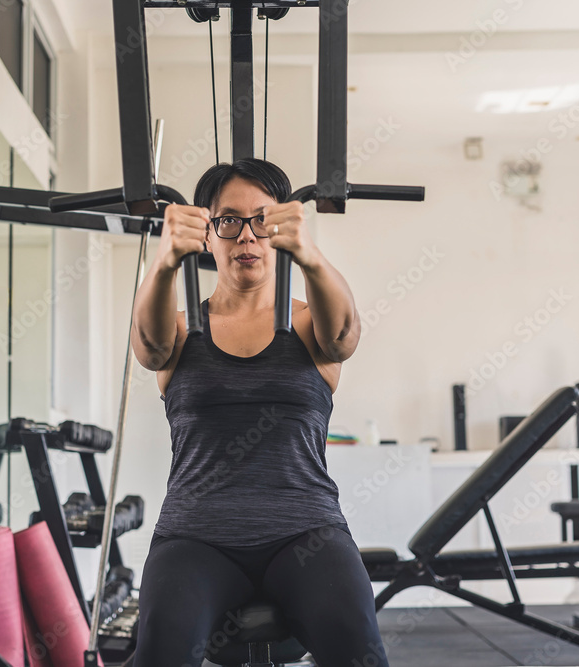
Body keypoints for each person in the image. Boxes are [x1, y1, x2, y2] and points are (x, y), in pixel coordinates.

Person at [130, 159, 389, 666]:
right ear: (208, 232)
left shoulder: (311, 324)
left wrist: (309, 253)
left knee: (359, 646)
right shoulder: (181, 328)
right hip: (195, 536)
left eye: (262, 221)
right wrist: (163, 261)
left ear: (281, 230)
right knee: (160, 649)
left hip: (306, 533)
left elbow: (345, 337)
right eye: (229, 221)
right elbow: (148, 350)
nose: (246, 236)